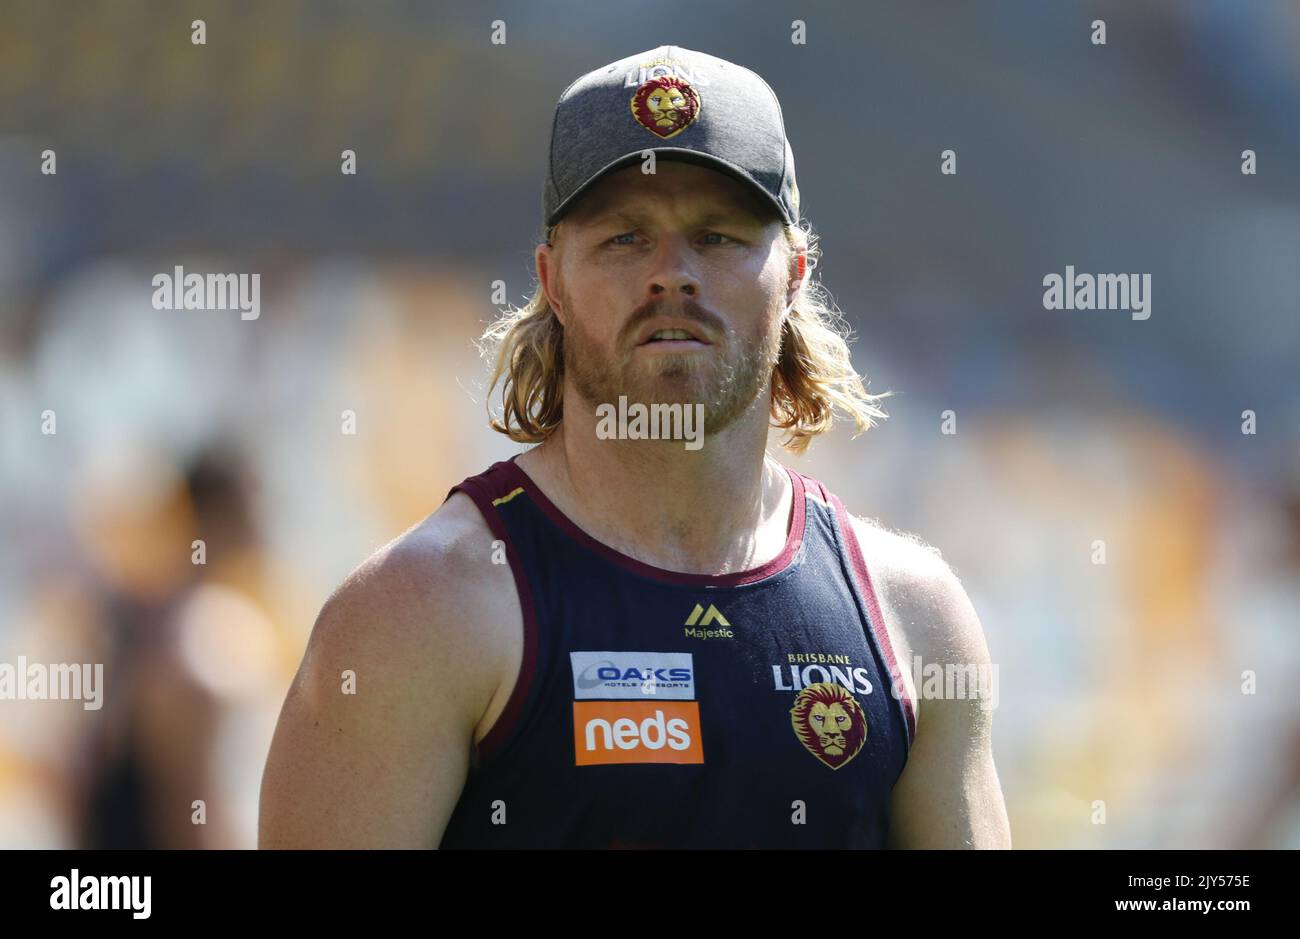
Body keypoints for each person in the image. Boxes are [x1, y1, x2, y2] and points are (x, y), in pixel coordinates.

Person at [259, 44, 1011, 849]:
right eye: (624, 238)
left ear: (794, 273)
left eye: (718, 236)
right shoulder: (418, 612)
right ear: (551, 279)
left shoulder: (913, 619)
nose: (671, 274)